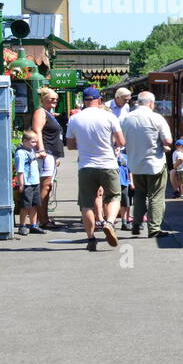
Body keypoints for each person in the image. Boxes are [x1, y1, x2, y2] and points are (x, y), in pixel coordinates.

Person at [64, 87, 125, 252]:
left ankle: (91, 239)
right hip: (108, 164)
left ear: (84, 100)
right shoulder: (109, 116)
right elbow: (121, 141)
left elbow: (70, 146)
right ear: (99, 100)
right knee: (113, 197)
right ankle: (110, 223)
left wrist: (84, 145)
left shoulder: (75, 119)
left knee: (86, 204)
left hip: (86, 166)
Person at [121, 91, 175, 238]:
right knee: (155, 197)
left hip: (135, 164)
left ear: (138, 102)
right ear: (151, 103)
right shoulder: (156, 118)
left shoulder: (126, 119)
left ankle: (136, 224)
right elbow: (168, 141)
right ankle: (154, 229)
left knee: (139, 195)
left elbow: (121, 140)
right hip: (154, 164)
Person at [30, 87, 64, 230]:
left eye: (56, 99)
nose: (55, 101)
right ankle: (42, 219)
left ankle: (43, 217)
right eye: (52, 98)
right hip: (46, 153)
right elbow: (37, 130)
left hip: (52, 154)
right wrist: (41, 149)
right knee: (45, 185)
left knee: (48, 186)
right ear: (43, 99)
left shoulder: (49, 113)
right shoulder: (40, 112)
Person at [13, 131, 46, 237]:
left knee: (34, 205)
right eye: (32, 142)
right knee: (25, 206)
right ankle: (22, 226)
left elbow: (33, 157)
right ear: (24, 141)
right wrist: (21, 184)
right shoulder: (20, 153)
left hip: (35, 182)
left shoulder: (30, 150)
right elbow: (20, 170)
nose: (35, 144)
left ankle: (33, 225)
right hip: (27, 183)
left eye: (36, 142)